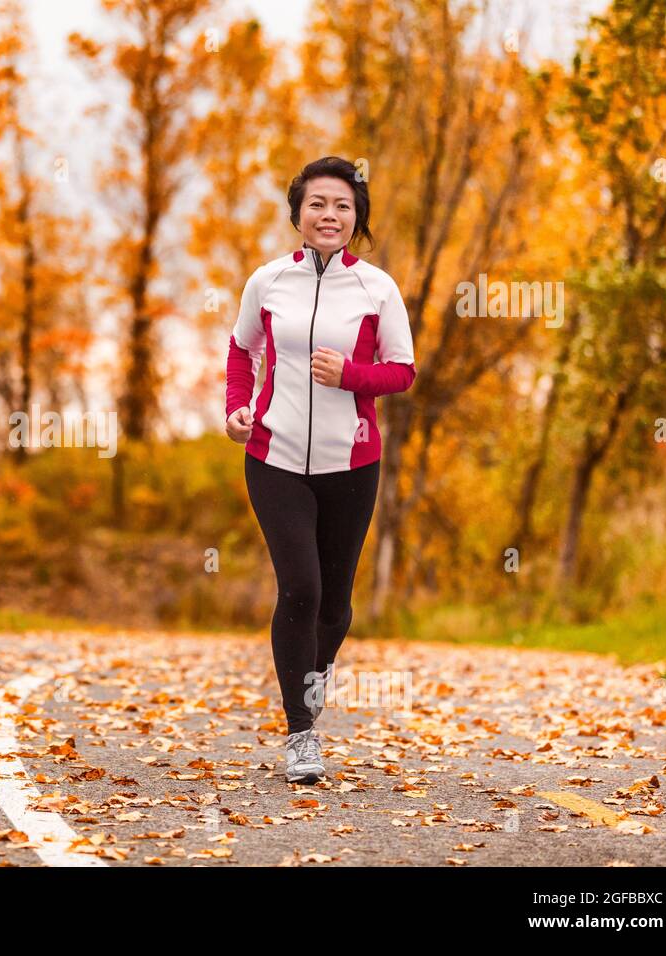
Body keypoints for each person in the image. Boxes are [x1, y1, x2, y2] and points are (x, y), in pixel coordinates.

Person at [224, 156, 416, 784]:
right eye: (317, 204)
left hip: (351, 461)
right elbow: (241, 348)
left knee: (335, 607)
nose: (329, 215)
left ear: (355, 216)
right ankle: (301, 735)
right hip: (274, 457)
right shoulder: (269, 280)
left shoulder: (377, 288)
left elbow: (402, 371)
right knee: (300, 589)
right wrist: (236, 409)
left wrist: (351, 376)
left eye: (341, 206)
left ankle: (314, 671)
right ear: (298, 214)